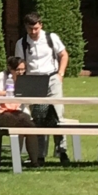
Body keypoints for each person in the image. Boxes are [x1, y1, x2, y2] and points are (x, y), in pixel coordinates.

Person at [14, 12, 69, 163]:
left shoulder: (51, 38)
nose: (33, 32)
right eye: (30, 29)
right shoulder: (22, 43)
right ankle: (39, 155)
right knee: (38, 118)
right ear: (25, 27)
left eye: (36, 29)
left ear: (41, 25)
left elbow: (63, 55)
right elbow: (20, 65)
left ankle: (62, 151)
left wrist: (60, 74)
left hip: (52, 78)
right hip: (34, 81)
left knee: (57, 115)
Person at [0, 54, 41, 164]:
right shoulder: (2, 76)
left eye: (23, 70)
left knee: (30, 127)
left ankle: (34, 161)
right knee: (25, 123)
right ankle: (18, 161)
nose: (21, 72)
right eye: (18, 70)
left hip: (20, 113)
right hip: (3, 113)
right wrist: (8, 93)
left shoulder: (26, 79)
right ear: (10, 69)